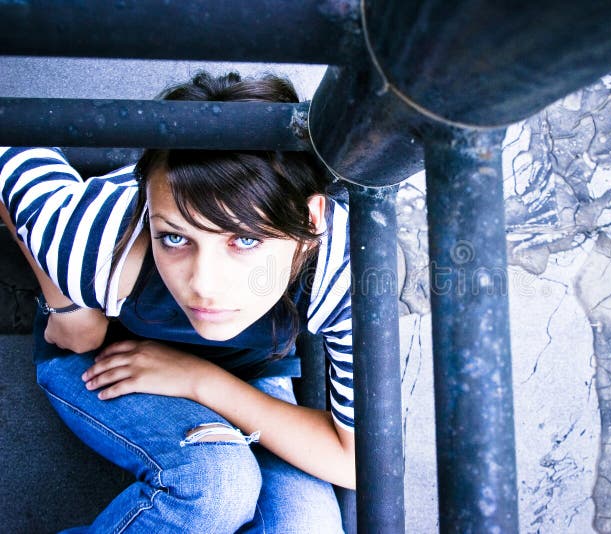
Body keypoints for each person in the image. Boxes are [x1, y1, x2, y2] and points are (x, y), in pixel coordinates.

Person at [0, 71, 354, 533]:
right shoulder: (100, 241)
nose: (204, 285)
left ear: (310, 222)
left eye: (245, 240)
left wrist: (199, 381)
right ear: (148, 207)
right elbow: (10, 154)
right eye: (174, 238)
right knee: (217, 483)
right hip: (105, 356)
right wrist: (68, 304)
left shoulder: (343, 266)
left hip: (249, 370)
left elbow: (353, 460)